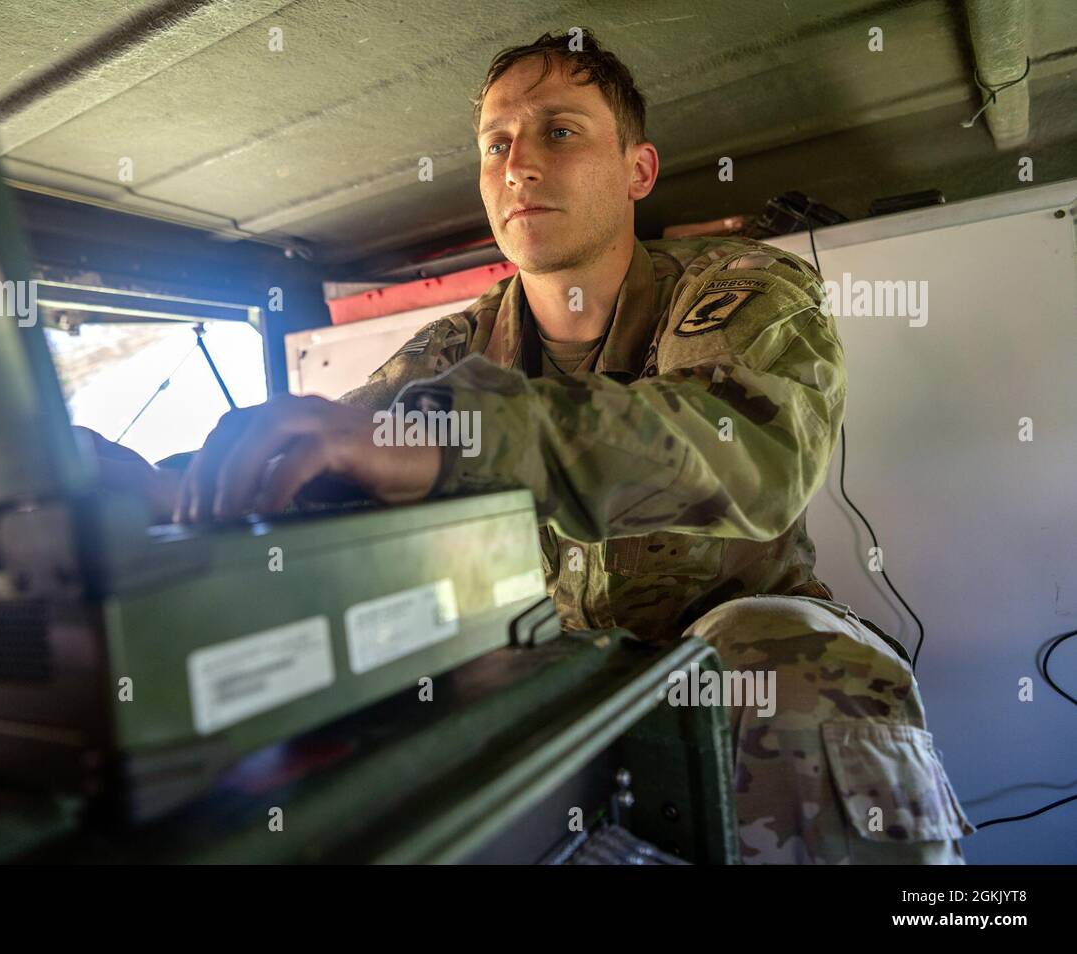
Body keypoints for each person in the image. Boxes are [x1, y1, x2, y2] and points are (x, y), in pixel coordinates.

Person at [108, 30, 974, 863]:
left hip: (730, 655)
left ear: (638, 171)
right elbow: (321, 448)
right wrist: (161, 492)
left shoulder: (741, 286)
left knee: (778, 656)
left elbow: (748, 450)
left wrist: (466, 437)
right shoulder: (460, 343)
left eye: (560, 132)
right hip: (555, 668)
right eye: (496, 145)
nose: (519, 164)